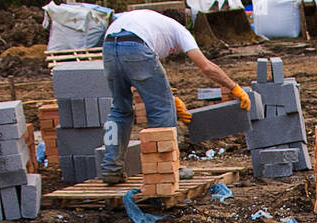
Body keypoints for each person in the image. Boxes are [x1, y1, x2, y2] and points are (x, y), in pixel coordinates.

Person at [98, 9, 250, 184]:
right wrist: (234, 87)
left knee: (119, 110)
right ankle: (167, 167)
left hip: (109, 45)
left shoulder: (148, 22)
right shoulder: (179, 29)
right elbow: (206, 67)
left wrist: (171, 97)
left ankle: (111, 168)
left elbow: (141, 78)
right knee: (162, 110)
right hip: (136, 45)